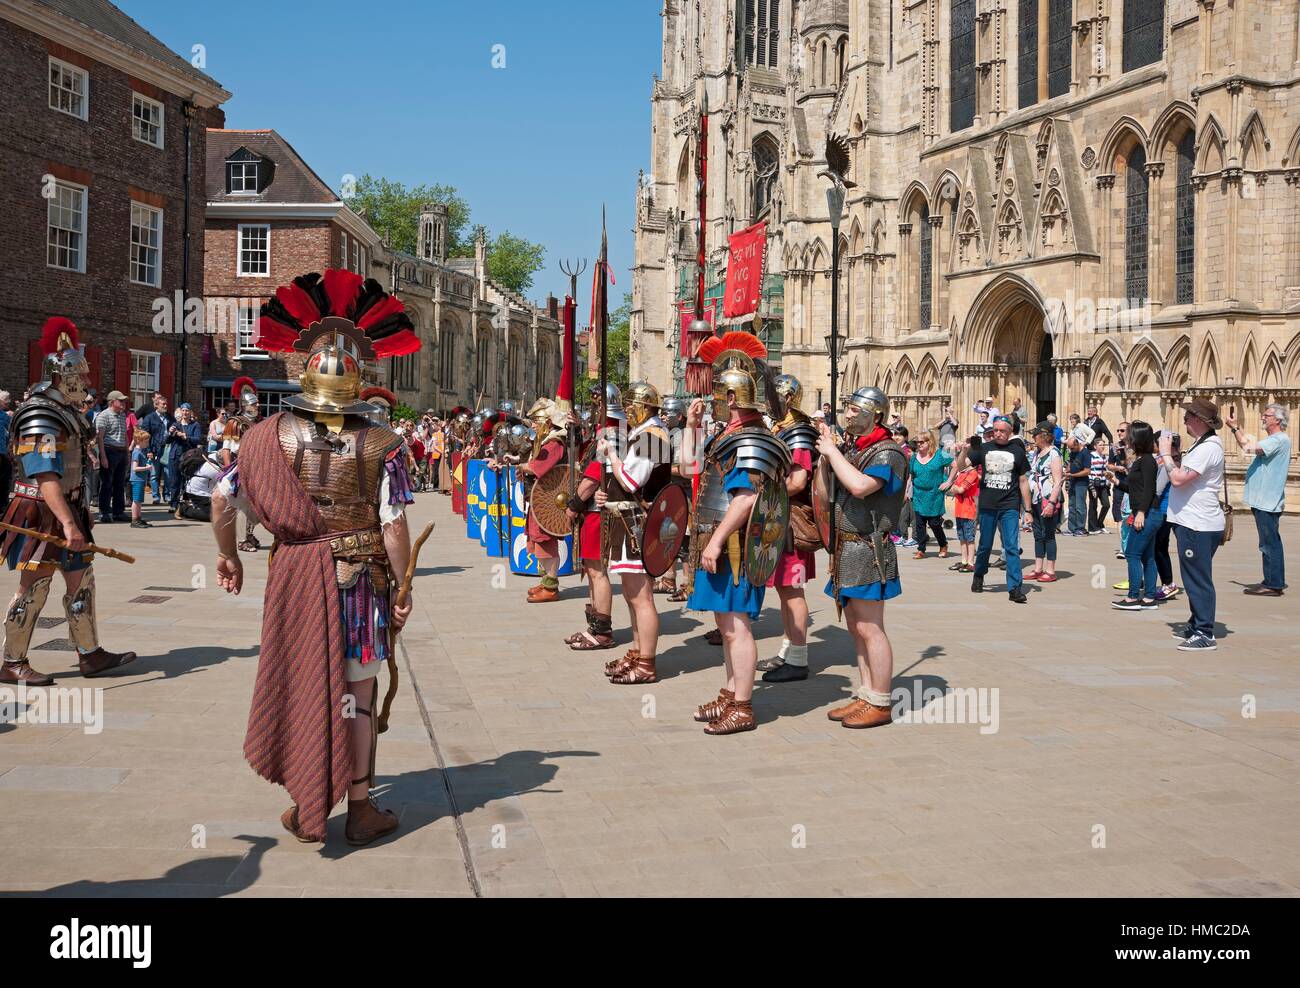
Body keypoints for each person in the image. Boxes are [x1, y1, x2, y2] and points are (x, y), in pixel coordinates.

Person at [211, 267, 417, 848]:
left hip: (295, 575)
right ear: (357, 386)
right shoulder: (382, 443)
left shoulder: (263, 437)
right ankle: (357, 807)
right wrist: (404, 588)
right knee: (358, 691)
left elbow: (223, 496)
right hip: (357, 580)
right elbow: (394, 525)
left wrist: (228, 556)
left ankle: (307, 800)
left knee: (304, 681)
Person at [1, 318, 136, 686]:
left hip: (69, 507)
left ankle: (90, 654)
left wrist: (76, 517)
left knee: (82, 580)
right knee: (35, 586)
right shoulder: (39, 414)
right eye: (83, 376)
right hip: (42, 512)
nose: (89, 383)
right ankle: (12, 661)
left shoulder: (68, 412)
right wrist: (69, 525)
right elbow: (44, 476)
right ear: (63, 376)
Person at [683, 332, 790, 735]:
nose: (710, 399)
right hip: (718, 541)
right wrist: (693, 428)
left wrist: (712, 542)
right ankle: (730, 692)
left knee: (737, 624)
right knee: (726, 623)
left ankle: (743, 706)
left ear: (731, 398)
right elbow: (690, 469)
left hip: (736, 548)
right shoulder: (726, 435)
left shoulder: (750, 438)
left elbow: (745, 500)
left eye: (716, 393)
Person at [818, 386, 909, 729]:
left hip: (869, 549)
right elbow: (827, 493)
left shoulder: (887, 453)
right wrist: (827, 457)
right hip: (847, 546)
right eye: (849, 408)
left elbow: (859, 487)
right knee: (855, 627)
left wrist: (833, 452)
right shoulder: (855, 450)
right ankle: (866, 693)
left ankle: (882, 701)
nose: (849, 414)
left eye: (857, 409)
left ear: (877, 414)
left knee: (871, 627)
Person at [597, 383, 673, 684]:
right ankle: (637, 650)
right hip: (627, 520)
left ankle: (647, 662)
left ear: (645, 406)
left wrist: (612, 454)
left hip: (639, 523)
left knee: (642, 597)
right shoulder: (643, 434)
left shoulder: (651, 438)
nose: (628, 410)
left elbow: (630, 480)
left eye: (633, 405)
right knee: (631, 594)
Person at [761, 373, 819, 684]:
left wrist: (764, 494)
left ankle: (798, 659)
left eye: (773, 397)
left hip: (791, 523)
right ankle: (787, 650)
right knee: (784, 590)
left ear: (787, 399)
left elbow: (797, 481)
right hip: (778, 519)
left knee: (793, 592)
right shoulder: (781, 430)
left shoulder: (798, 433)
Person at [1161, 398, 1225, 651]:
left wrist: (1166, 455)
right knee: (1193, 575)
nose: (1185, 421)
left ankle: (1204, 632)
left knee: (1198, 578)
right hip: (1192, 521)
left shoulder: (1209, 447)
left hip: (1198, 524)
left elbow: (1178, 480)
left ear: (1199, 420)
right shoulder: (1202, 445)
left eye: (1188, 417)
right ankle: (1196, 622)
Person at [565, 385, 625, 653]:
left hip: (597, 511)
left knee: (597, 570)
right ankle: (594, 628)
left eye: (597, 402)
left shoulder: (611, 433)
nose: (593, 405)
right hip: (591, 511)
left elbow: (591, 477)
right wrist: (575, 432)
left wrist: (574, 504)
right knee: (591, 569)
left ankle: (602, 632)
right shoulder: (602, 432)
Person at [952, 416, 1032, 603]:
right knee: (985, 545)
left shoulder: (1017, 452)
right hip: (988, 505)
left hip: (1010, 505)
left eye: (1002, 430)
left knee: (1012, 546)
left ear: (1010, 431)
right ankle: (979, 575)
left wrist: (1027, 510)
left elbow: (1023, 481)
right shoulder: (983, 448)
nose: (997, 433)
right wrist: (965, 450)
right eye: (995, 430)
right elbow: (962, 466)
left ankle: (1015, 588)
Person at [1227, 403, 1290, 596]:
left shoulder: (1279, 439)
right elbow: (1247, 442)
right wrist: (1236, 427)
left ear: (1277, 420)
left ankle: (1273, 584)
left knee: (1269, 543)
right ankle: (1271, 579)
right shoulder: (1275, 440)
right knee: (1269, 541)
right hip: (1264, 499)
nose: (1263, 417)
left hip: (1267, 500)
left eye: (1267, 415)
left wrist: (1235, 427)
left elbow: (1248, 447)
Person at [518, 396, 573, 605]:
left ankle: (551, 586)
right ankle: (545, 581)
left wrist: (523, 467)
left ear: (548, 422)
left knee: (545, 541)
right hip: (542, 500)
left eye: (536, 420)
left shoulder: (555, 443)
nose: (533, 425)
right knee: (537, 539)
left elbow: (538, 467)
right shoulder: (546, 442)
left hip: (550, 503)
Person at [1113, 422, 1163, 611]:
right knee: (1148, 557)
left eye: (1130, 435)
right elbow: (1135, 489)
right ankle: (1149, 598)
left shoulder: (1148, 461)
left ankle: (1133, 596)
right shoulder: (1142, 459)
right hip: (1147, 512)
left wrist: (1141, 513)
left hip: (1148, 513)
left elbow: (1150, 489)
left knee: (1132, 554)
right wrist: (1117, 481)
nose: (1127, 439)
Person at [221, 379, 262, 552]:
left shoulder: (259, 422)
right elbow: (226, 450)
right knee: (242, 505)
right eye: (254, 403)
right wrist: (228, 472)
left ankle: (249, 533)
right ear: (245, 405)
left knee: (256, 505)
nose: (258, 405)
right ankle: (242, 540)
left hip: (257, 468)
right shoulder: (235, 422)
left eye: (257, 403)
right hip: (240, 467)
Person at [1025, 422, 1063, 583]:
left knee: (1048, 535)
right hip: (1035, 499)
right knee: (1038, 535)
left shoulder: (1054, 454)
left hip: (1047, 499)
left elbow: (1058, 481)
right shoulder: (1037, 453)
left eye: (1035, 434)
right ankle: (1038, 568)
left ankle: (1050, 570)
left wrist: (1051, 503)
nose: (1033, 437)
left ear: (1044, 436)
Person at [908, 428, 952, 559]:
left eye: (922, 442)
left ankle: (943, 544)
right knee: (920, 523)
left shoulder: (940, 454)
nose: (919, 444)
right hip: (918, 494)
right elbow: (911, 475)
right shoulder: (914, 457)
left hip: (934, 494)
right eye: (917, 442)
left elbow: (955, 465)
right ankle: (921, 548)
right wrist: (907, 491)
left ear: (930, 441)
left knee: (934, 523)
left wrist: (948, 482)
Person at [95, 390, 130, 524]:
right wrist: (103, 456)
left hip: (121, 451)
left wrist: (127, 452)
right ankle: (104, 512)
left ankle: (118, 512)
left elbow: (125, 435)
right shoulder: (104, 416)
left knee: (120, 483)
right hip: (109, 450)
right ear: (112, 402)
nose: (123, 403)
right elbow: (100, 438)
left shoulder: (122, 415)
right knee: (106, 483)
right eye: (120, 401)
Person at [942, 456, 980, 573]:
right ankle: (964, 561)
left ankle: (971, 562)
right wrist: (954, 487)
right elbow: (953, 488)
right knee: (962, 538)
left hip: (969, 510)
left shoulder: (972, 473)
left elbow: (960, 490)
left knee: (970, 538)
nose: (962, 460)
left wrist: (953, 487)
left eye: (966, 458)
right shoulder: (962, 473)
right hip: (959, 510)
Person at [139, 395, 175, 506]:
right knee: (154, 475)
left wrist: (173, 428)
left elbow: (176, 426)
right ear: (156, 405)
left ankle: (167, 495)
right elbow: (145, 435)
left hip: (167, 449)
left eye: (166, 404)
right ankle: (155, 497)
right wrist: (148, 450)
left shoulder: (169, 417)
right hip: (154, 449)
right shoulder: (149, 418)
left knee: (168, 474)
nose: (165, 406)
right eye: (163, 404)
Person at [1064, 425, 1094, 536]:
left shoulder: (1085, 453)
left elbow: (1087, 471)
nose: (1071, 450)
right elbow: (1071, 463)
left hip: (1081, 483)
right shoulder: (1073, 452)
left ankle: (1081, 528)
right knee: (1071, 505)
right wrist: (1067, 470)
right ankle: (1071, 528)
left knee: (1080, 506)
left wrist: (1073, 474)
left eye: (1072, 448)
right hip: (1072, 481)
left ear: (1077, 444)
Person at [128, 428, 153, 529]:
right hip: (137, 479)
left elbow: (145, 463)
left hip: (141, 479)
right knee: (136, 501)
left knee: (139, 501)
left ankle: (138, 518)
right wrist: (147, 468)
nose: (147, 443)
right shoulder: (137, 452)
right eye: (146, 441)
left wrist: (149, 460)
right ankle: (134, 519)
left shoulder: (142, 451)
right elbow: (135, 468)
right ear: (139, 441)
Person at [1088, 439, 1112, 534]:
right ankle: (1092, 528)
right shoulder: (1091, 456)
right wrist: (1090, 483)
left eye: (1103, 445)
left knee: (1106, 505)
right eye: (1100, 445)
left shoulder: (1103, 457)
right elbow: (1088, 470)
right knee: (1093, 505)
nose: (1102, 447)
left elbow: (1105, 469)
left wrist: (1108, 480)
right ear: (1095, 446)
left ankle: (1099, 524)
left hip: (1103, 484)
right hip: (1094, 483)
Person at [0, 391, 12, 515]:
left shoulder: (5, 416)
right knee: (3, 482)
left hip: (2, 452)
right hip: (2, 453)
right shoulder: (5, 417)